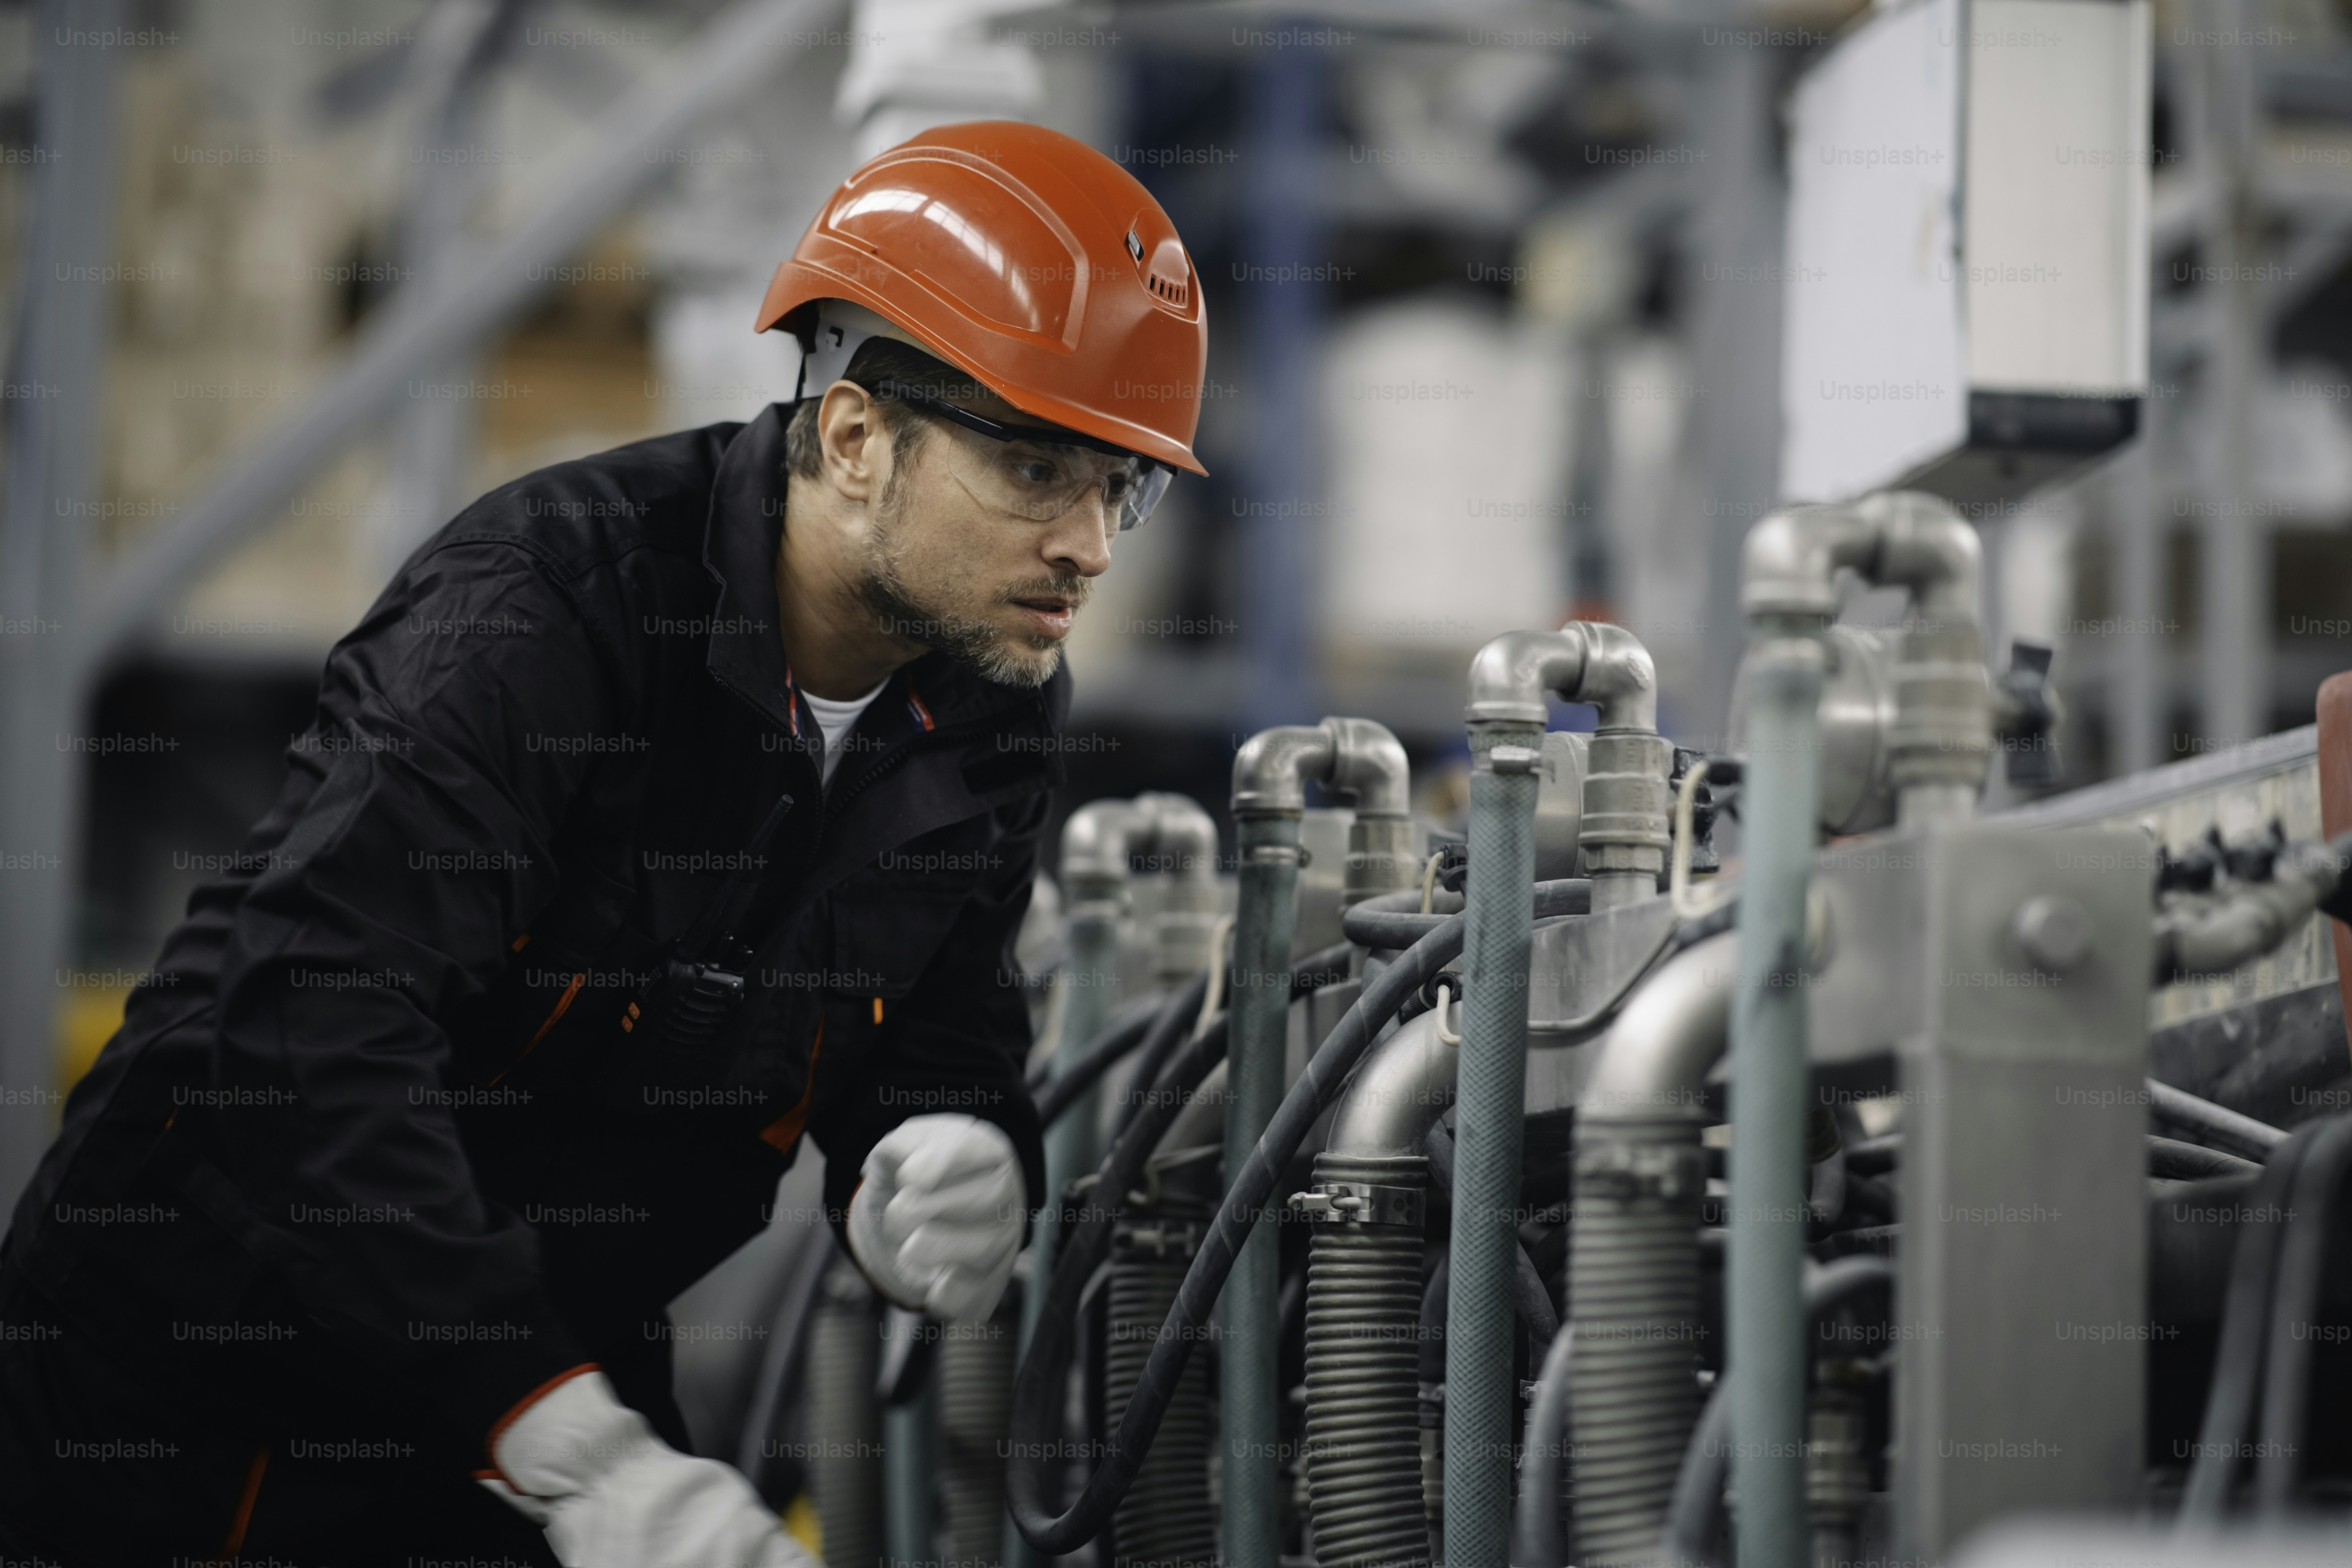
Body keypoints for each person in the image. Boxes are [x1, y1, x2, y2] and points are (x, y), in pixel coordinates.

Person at [0, 119, 1207, 1568]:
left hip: (553, 1362)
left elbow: (933, 1029)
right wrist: (566, 1439)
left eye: (1119, 486)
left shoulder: (989, 696)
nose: (1088, 543)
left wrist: (948, 1145)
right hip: (214, 1364)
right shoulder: (546, 612)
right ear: (856, 437)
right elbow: (304, 1029)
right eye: (1036, 471)